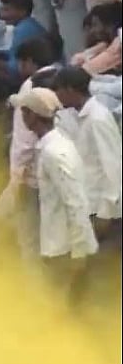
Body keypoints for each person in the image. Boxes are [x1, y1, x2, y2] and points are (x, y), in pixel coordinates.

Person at [11, 86, 98, 306]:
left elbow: (75, 202)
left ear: (32, 115)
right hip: (58, 245)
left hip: (63, 249)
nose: (22, 116)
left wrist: (79, 252)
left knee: (60, 309)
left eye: (24, 111)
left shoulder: (54, 152)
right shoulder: (53, 145)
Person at [51, 66, 123, 240]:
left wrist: (106, 213)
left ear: (69, 89)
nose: (56, 96)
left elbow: (113, 166)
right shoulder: (76, 116)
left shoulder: (97, 118)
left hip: (102, 210)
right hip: (88, 205)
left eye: (58, 90)